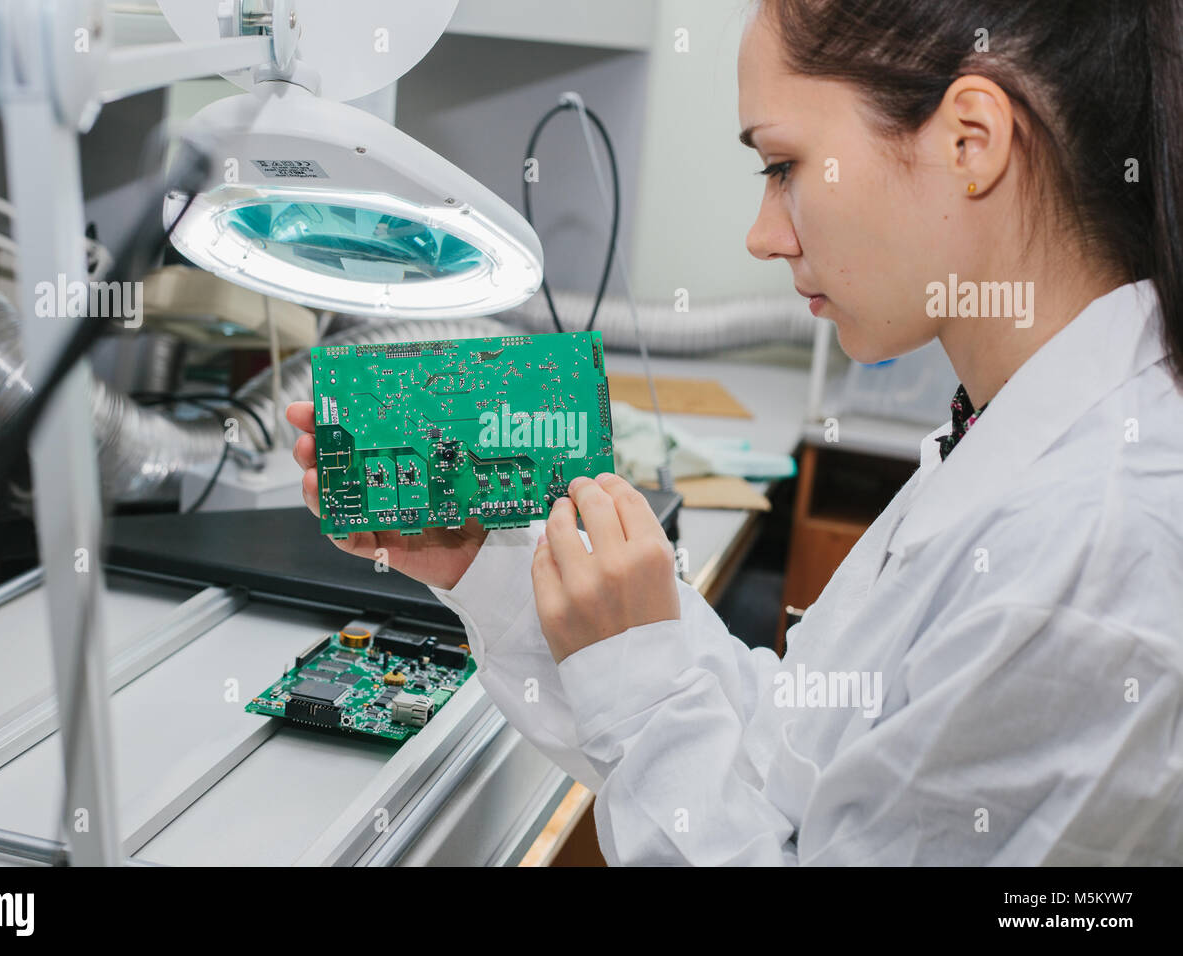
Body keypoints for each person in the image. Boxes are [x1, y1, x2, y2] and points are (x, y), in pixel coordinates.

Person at [286, 0, 1183, 864]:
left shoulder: (1088, 555)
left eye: (784, 165)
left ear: (970, 142)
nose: (761, 235)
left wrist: (638, 689)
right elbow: (796, 758)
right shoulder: (1023, 432)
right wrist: (499, 566)